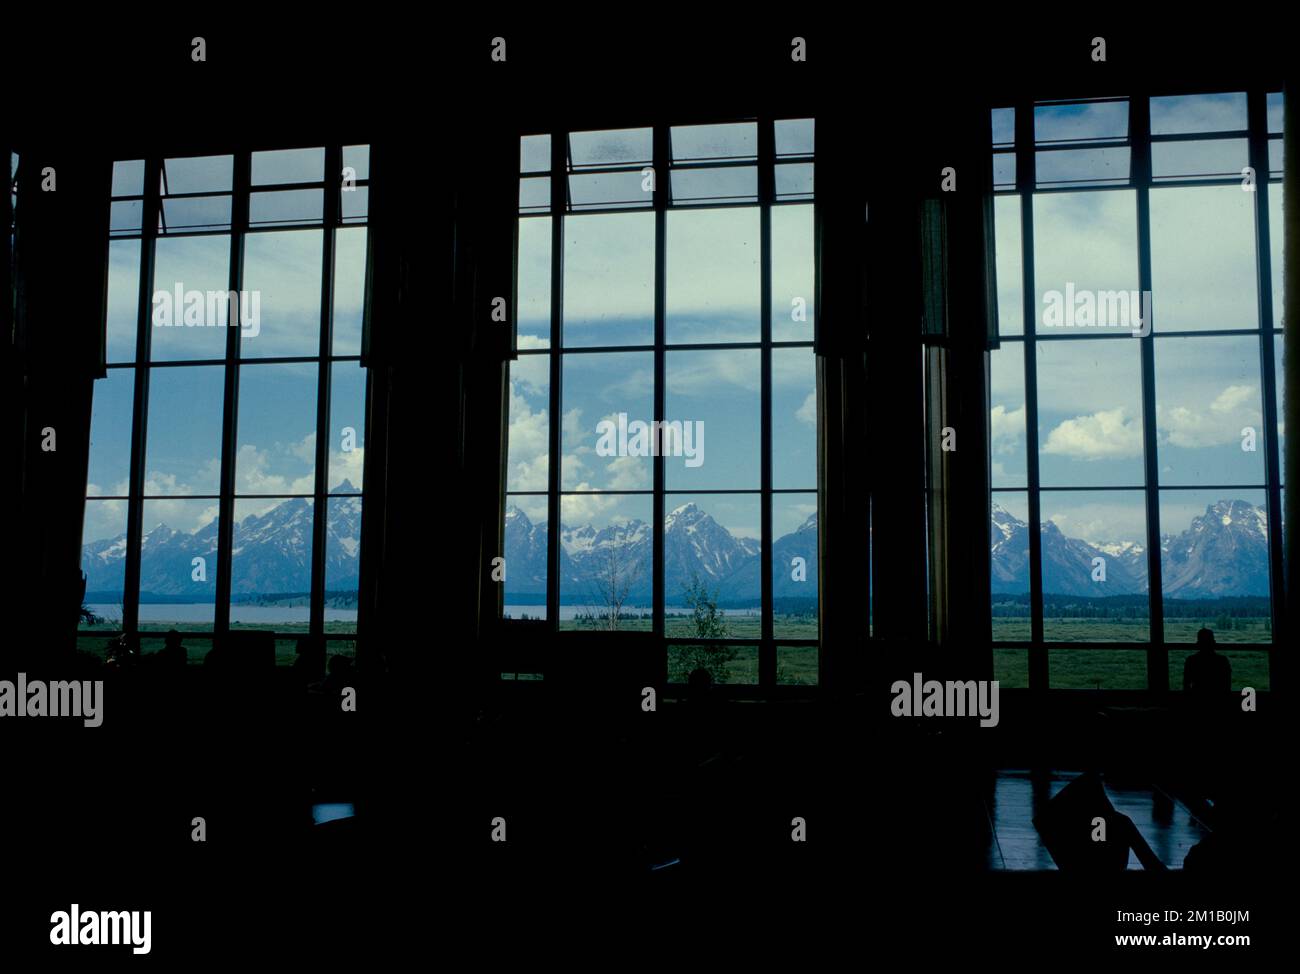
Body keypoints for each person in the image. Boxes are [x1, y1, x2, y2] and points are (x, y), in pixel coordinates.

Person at [1183, 627, 1231, 696]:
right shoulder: (1222, 661)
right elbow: (1227, 685)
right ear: (1213, 643)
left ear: (1198, 644)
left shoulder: (1191, 660)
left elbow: (1186, 684)